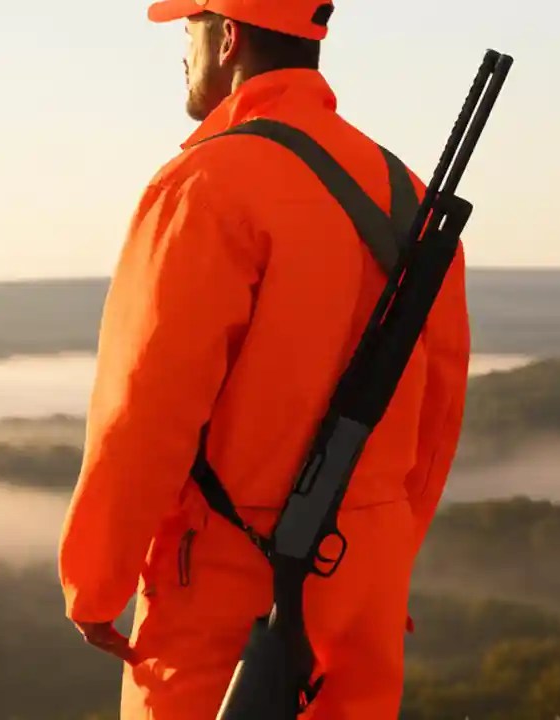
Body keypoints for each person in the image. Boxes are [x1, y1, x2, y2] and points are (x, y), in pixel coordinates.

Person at [56, 0, 471, 718]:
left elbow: (147, 408)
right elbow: (435, 419)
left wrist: (95, 581)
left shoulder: (207, 185)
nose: (181, 50)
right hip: (363, 586)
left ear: (228, 36)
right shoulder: (409, 195)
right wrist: (386, 565)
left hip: (226, 589)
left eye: (188, 27)